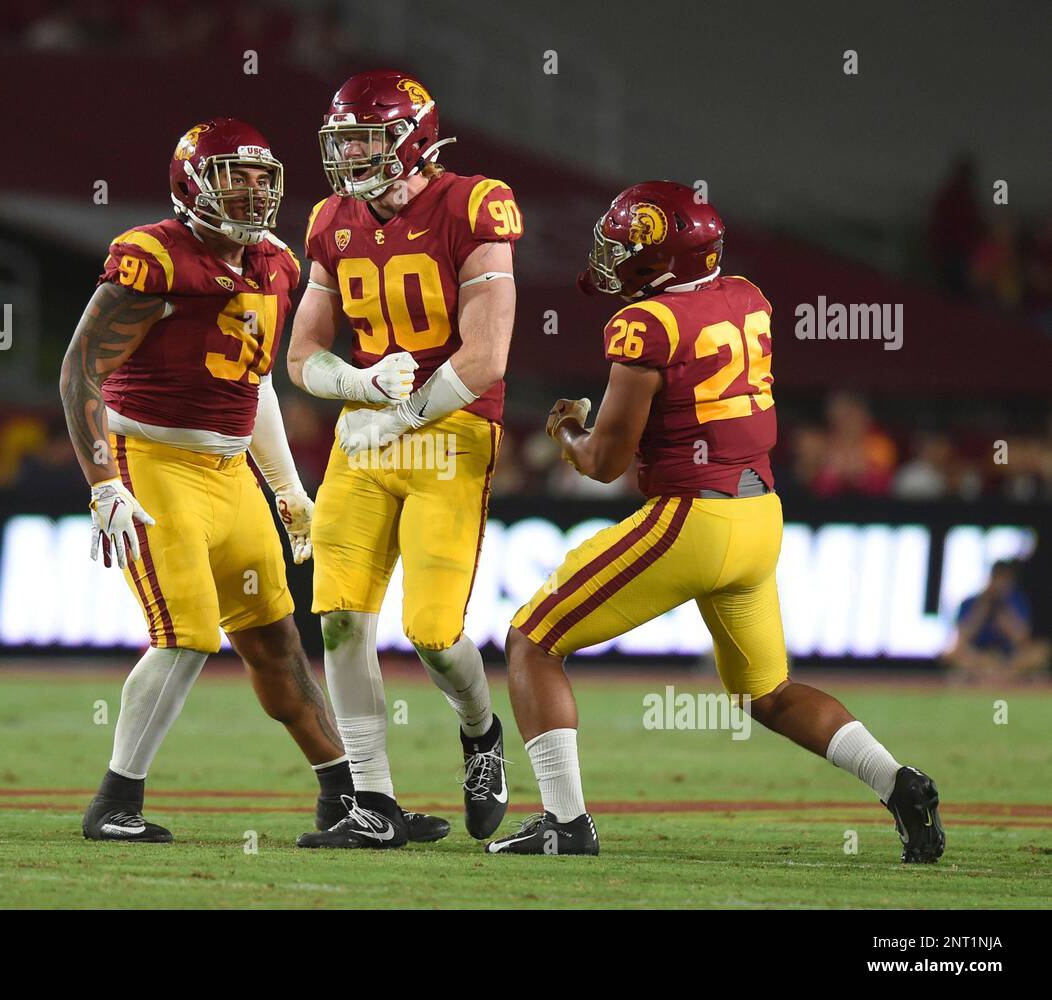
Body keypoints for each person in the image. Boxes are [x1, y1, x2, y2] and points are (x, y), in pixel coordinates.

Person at [485, 182, 945, 864]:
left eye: (626, 245)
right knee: (769, 694)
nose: (613, 256)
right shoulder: (747, 296)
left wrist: (570, 431)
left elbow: (605, 463)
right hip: (759, 514)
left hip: (692, 518)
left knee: (531, 639)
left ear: (661, 256)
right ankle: (897, 782)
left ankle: (565, 822)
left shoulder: (644, 324)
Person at [60, 118, 397, 843]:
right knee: (185, 635)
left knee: (275, 640)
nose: (250, 192)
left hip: (232, 469)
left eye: (259, 178)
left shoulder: (275, 263)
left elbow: (257, 385)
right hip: (152, 461)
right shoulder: (154, 257)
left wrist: (288, 490)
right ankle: (114, 803)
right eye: (231, 177)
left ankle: (345, 798)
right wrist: (102, 481)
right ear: (191, 184)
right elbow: (80, 369)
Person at [287, 70, 521, 848]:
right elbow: (302, 356)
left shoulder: (472, 203)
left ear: (412, 139)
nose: (350, 155)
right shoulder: (331, 219)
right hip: (364, 437)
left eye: (365, 139)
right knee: (339, 619)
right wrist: (360, 387)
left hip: (450, 432)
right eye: (343, 140)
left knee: (432, 631)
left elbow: (486, 357)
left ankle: (481, 733)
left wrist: (403, 414)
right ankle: (375, 804)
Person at [944, 560, 1050, 680]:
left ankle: (999, 675)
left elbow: (1024, 641)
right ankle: (996, 675)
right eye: (997, 578)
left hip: (1008, 660)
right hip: (978, 658)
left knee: (1041, 651)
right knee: (952, 653)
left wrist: (1004, 614)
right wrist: (981, 610)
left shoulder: (1017, 602)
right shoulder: (970, 602)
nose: (1000, 584)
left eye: (1004, 579)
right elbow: (960, 641)